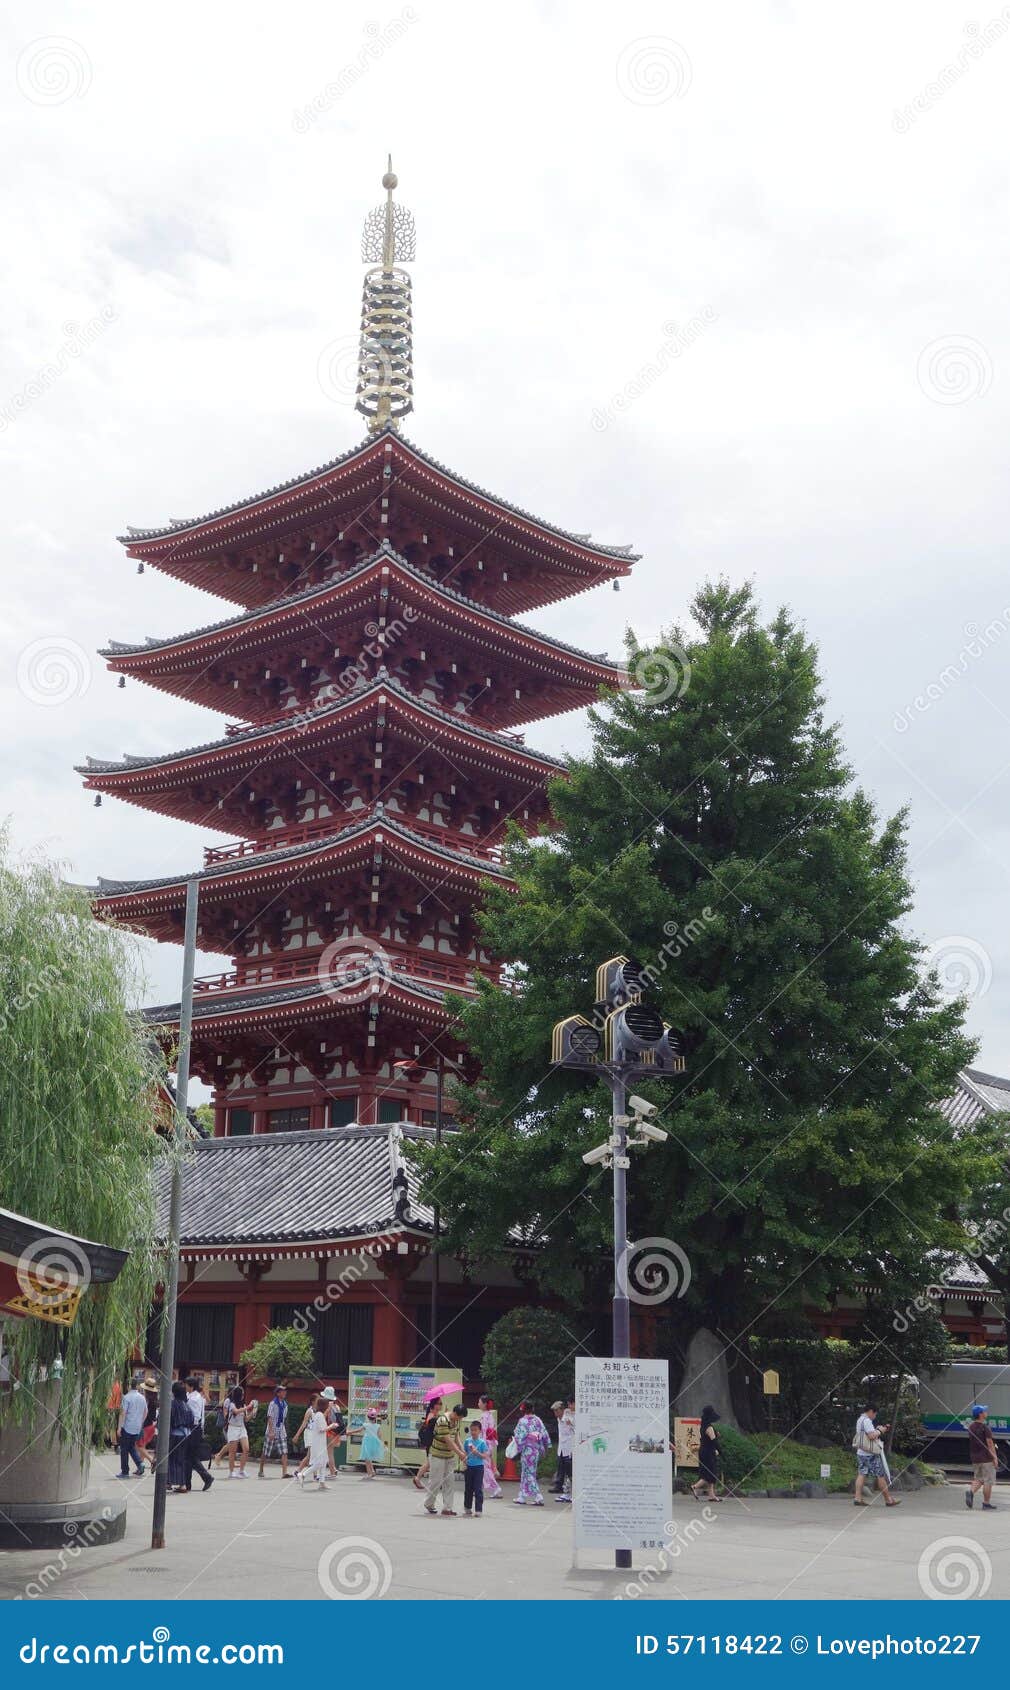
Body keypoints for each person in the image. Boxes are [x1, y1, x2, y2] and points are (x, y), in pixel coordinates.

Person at [853, 1401, 900, 1507]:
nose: (875, 1416)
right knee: (880, 1475)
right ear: (870, 1412)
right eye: (875, 1413)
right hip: (870, 1453)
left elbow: (865, 1435)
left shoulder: (860, 1420)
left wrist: (877, 1429)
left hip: (861, 1452)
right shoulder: (867, 1421)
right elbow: (871, 1436)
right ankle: (888, 1500)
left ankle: (857, 1498)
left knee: (862, 1474)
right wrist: (881, 1431)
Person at [424, 1402, 467, 1516]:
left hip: (449, 1456)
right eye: (460, 1417)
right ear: (455, 1413)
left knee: (450, 1481)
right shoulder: (443, 1420)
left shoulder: (456, 1421)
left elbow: (456, 1437)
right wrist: (460, 1454)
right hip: (437, 1454)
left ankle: (447, 1508)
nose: (461, 1419)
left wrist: (463, 1451)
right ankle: (429, 1504)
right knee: (436, 1481)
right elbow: (448, 1440)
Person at [513, 1401, 551, 1505]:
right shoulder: (538, 1420)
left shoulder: (522, 1421)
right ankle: (521, 1496)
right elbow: (544, 1434)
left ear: (524, 1410)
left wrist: (518, 1446)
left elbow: (518, 1435)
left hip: (527, 1450)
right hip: (536, 1449)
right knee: (528, 1472)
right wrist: (546, 1447)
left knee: (528, 1473)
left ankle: (538, 1496)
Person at [966, 1404, 999, 1510]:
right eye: (984, 1411)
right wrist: (994, 1457)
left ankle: (970, 1491)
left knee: (979, 1479)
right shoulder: (985, 1428)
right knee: (988, 1481)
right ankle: (986, 1503)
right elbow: (990, 1444)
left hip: (975, 1458)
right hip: (986, 1458)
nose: (986, 1412)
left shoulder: (971, 1427)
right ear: (980, 1414)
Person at [296, 1393, 330, 1490]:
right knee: (319, 1463)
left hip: (320, 1441)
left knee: (323, 1462)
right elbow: (322, 1429)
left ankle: (322, 1482)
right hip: (318, 1442)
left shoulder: (318, 1414)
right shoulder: (318, 1415)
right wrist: (332, 1426)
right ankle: (302, 1474)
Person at [184, 1378, 213, 1492]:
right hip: (197, 1430)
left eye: (186, 1385)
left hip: (193, 1430)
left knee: (189, 1457)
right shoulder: (198, 1397)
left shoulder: (193, 1399)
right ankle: (189, 1482)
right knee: (191, 1457)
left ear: (191, 1386)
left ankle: (205, 1478)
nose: (185, 1387)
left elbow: (196, 1417)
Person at [223, 1385, 258, 1479]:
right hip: (233, 1428)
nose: (243, 1395)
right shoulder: (231, 1404)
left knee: (246, 1449)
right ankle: (231, 1472)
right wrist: (249, 1407)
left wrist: (252, 1413)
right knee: (232, 1451)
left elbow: (245, 1419)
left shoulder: (244, 1405)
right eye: (242, 1394)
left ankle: (241, 1471)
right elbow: (236, 1411)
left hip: (242, 1428)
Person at [116, 1377, 148, 1478]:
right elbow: (145, 1412)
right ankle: (140, 1463)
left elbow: (123, 1413)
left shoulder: (127, 1397)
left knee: (124, 1449)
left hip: (127, 1426)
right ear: (137, 1386)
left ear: (129, 1386)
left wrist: (119, 1427)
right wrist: (140, 1422)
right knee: (131, 1447)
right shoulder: (142, 1397)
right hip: (137, 1427)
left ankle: (125, 1471)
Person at [168, 1380, 195, 1493]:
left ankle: (167, 1482)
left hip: (175, 1435)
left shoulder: (173, 1404)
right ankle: (182, 1484)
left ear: (174, 1392)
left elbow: (168, 1420)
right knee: (181, 1460)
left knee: (170, 1459)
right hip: (186, 1435)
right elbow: (192, 1420)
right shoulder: (186, 1406)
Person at [258, 1383, 290, 1480]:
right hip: (272, 1429)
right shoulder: (273, 1403)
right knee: (266, 1451)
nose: (284, 1393)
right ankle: (261, 1470)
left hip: (281, 1430)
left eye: (285, 1391)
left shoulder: (285, 1405)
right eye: (282, 1391)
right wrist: (271, 1431)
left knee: (284, 1451)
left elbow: (283, 1419)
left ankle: (284, 1472)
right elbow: (269, 1417)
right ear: (278, 1393)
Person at [692, 1404, 722, 1502]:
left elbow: (705, 1439)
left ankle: (711, 1495)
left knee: (708, 1472)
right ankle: (695, 1487)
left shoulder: (702, 1426)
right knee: (710, 1474)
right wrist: (721, 1451)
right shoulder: (709, 1428)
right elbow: (714, 1441)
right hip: (709, 1452)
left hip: (703, 1451)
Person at [478, 1394, 502, 1500]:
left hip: (484, 1444)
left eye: (479, 1402)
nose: (478, 1404)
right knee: (484, 1467)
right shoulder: (489, 1415)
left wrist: (480, 1443)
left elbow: (483, 1432)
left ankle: (495, 1487)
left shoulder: (484, 1416)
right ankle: (479, 1488)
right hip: (488, 1443)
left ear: (484, 1404)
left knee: (485, 1468)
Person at [463, 1420, 489, 1516]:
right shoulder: (467, 1441)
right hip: (469, 1467)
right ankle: (467, 1507)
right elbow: (464, 1453)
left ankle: (478, 1510)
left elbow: (485, 1456)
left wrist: (476, 1452)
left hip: (478, 1467)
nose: (473, 1432)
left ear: (480, 1431)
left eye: (475, 1430)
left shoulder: (482, 1442)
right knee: (468, 1488)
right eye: (472, 1430)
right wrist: (464, 1463)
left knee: (478, 1489)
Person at [553, 1397, 575, 1501]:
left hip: (570, 1449)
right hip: (562, 1449)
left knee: (571, 1472)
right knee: (564, 1471)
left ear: (561, 1410)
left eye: (557, 1411)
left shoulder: (569, 1417)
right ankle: (566, 1492)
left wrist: (571, 1423)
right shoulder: (560, 1418)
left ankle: (571, 1494)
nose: (555, 1413)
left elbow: (576, 1428)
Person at [414, 1403, 438, 1491]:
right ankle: (420, 1479)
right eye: (438, 1404)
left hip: (429, 1443)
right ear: (432, 1408)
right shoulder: (432, 1417)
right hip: (431, 1443)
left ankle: (418, 1478)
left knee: (429, 1463)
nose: (439, 1407)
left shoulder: (430, 1416)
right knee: (430, 1463)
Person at [359, 1406, 383, 1477]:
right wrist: (380, 1443)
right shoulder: (378, 1425)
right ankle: (372, 1471)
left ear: (368, 1417)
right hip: (374, 1443)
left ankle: (369, 1473)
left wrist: (349, 1432)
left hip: (366, 1442)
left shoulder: (366, 1425)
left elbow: (359, 1430)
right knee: (369, 1458)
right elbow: (379, 1435)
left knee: (367, 1458)